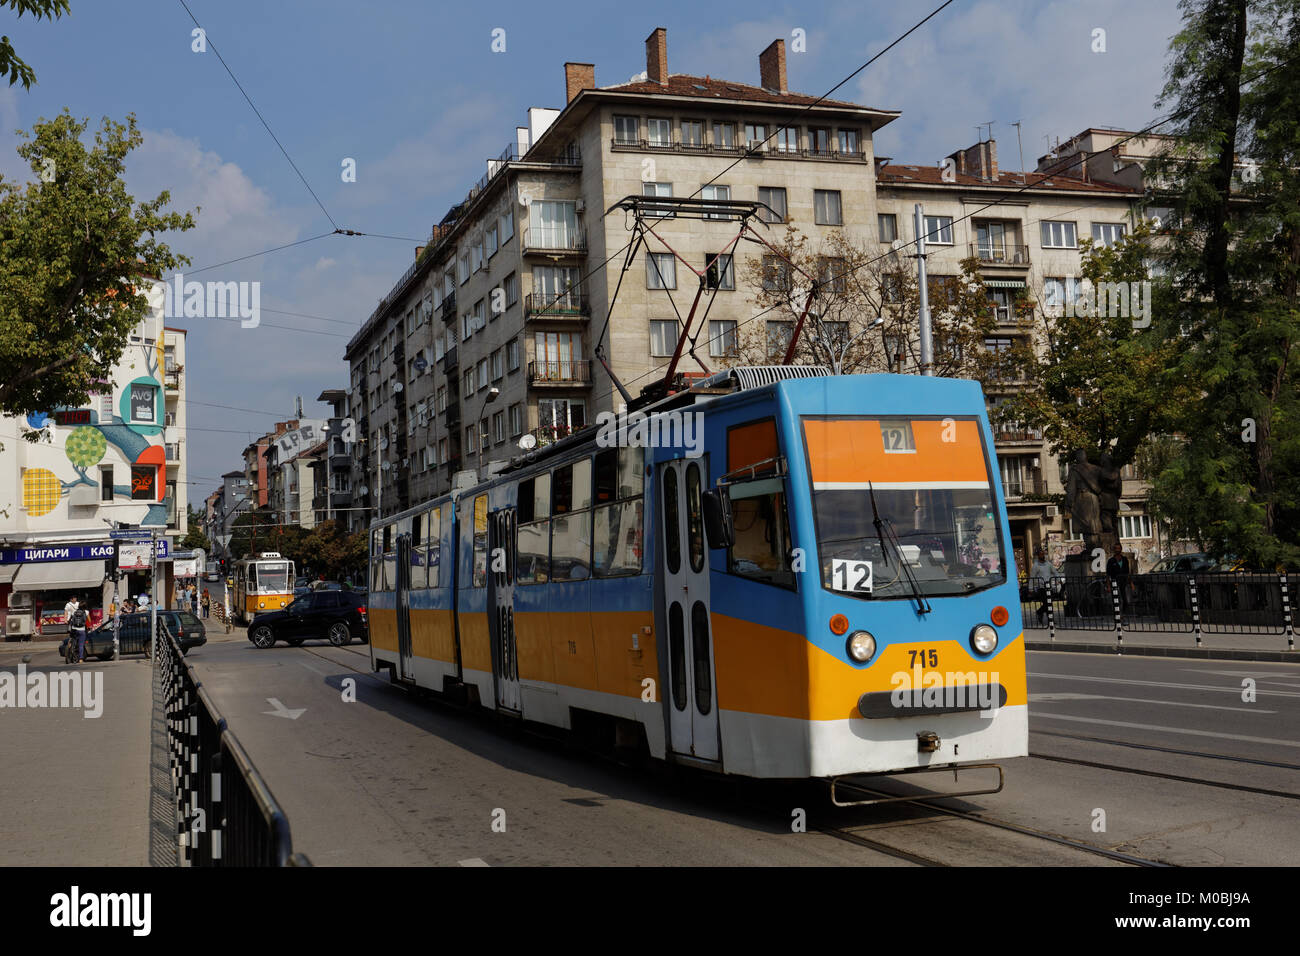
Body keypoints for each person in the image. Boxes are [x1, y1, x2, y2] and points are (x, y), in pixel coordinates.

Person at [1030, 548, 1057, 622]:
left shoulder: (1048, 564)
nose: (1042, 555)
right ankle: (1047, 617)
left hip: (1049, 586)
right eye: (1040, 554)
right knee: (1047, 603)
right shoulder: (1035, 566)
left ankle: (1043, 614)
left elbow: (1055, 572)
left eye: (1043, 554)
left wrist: (1057, 579)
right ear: (1038, 556)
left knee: (1049, 604)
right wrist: (1031, 588)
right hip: (1041, 587)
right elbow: (1032, 577)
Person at [1106, 544, 1132, 613]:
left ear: (1121, 549)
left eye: (1119, 548)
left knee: (1125, 600)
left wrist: (1131, 583)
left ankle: (1123, 614)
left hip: (1124, 582)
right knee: (1117, 600)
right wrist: (1108, 586)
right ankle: (1118, 616)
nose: (1117, 550)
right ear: (1114, 550)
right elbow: (1108, 574)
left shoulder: (1125, 559)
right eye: (1116, 548)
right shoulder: (1111, 561)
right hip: (1115, 583)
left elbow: (1128, 572)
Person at [67, 597, 88, 663]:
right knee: (81, 645)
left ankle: (70, 647)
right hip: (82, 630)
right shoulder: (86, 612)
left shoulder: (74, 612)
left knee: (72, 639)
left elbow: (70, 620)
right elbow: (88, 621)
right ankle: (81, 659)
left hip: (74, 629)